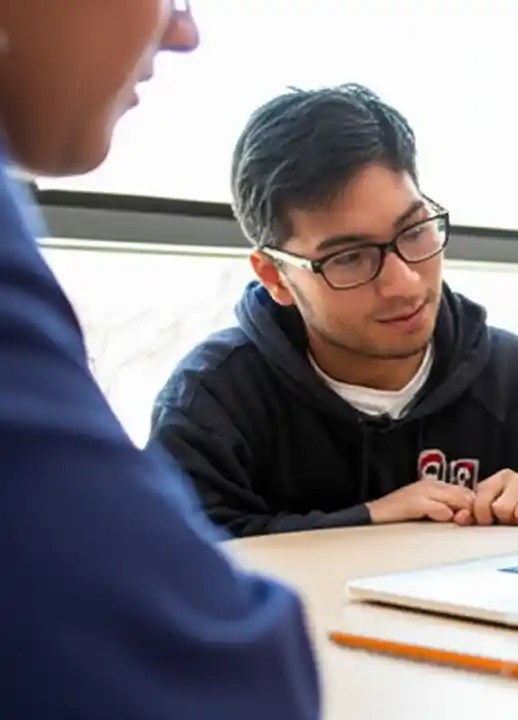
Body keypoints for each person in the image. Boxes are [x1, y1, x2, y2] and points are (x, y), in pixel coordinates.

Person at [0, 2, 319, 718]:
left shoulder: (507, 367)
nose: (184, 31)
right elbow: (204, 672)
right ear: (274, 275)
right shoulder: (215, 390)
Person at [148, 84, 518, 538]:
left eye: (415, 231)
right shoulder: (212, 399)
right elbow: (175, 558)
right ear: (275, 277)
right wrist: (369, 518)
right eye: (350, 258)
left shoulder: (508, 376)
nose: (404, 283)